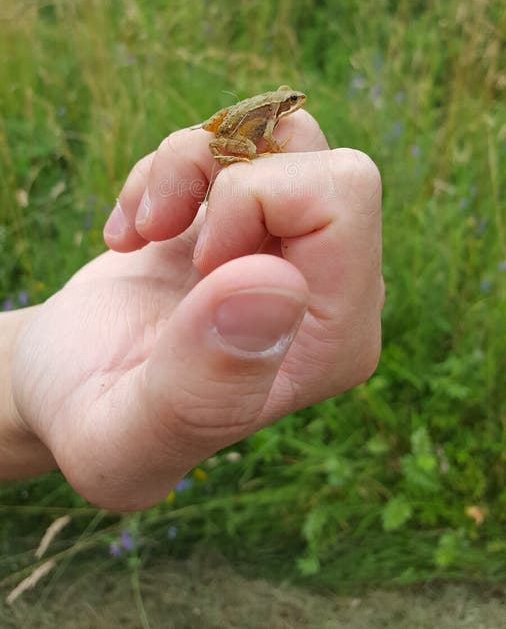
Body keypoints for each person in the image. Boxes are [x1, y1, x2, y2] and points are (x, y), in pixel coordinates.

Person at [0, 108, 383, 510]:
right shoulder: (271, 117)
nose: (294, 105)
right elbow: (265, 140)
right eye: (290, 101)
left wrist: (23, 357)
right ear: (280, 106)